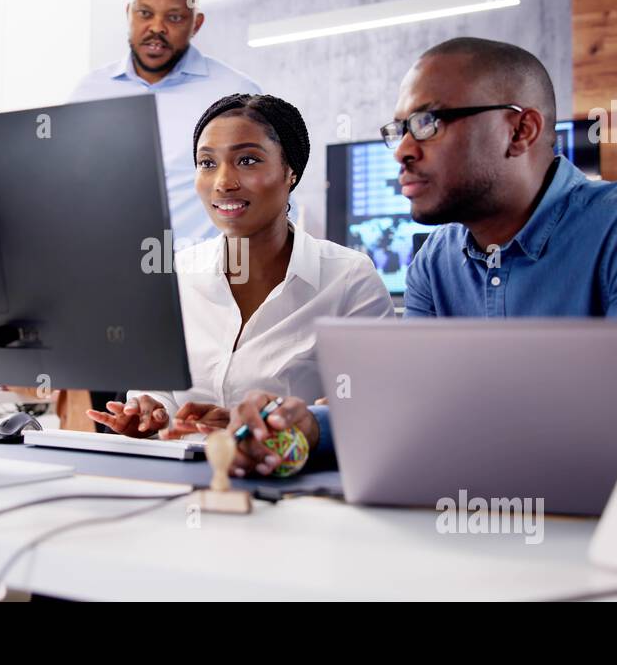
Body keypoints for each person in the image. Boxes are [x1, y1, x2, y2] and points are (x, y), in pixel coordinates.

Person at [222, 36, 617, 478]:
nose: (402, 150)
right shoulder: (435, 263)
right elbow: (414, 410)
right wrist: (307, 425)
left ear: (520, 131)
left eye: (428, 122)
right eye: (398, 129)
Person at [86, 94, 393, 439]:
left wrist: (278, 429)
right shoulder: (176, 276)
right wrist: (148, 412)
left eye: (247, 160)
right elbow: (160, 393)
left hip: (289, 473)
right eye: (207, 163)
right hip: (179, 469)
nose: (223, 182)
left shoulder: (349, 279)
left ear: (290, 172)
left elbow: (374, 412)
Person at [68, 0, 261, 243]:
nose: (157, 27)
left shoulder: (236, 95)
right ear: (129, 13)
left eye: (174, 17)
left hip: (200, 266)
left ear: (196, 24)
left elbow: (268, 199)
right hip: (102, 258)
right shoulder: (89, 92)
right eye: (145, 13)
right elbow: (68, 187)